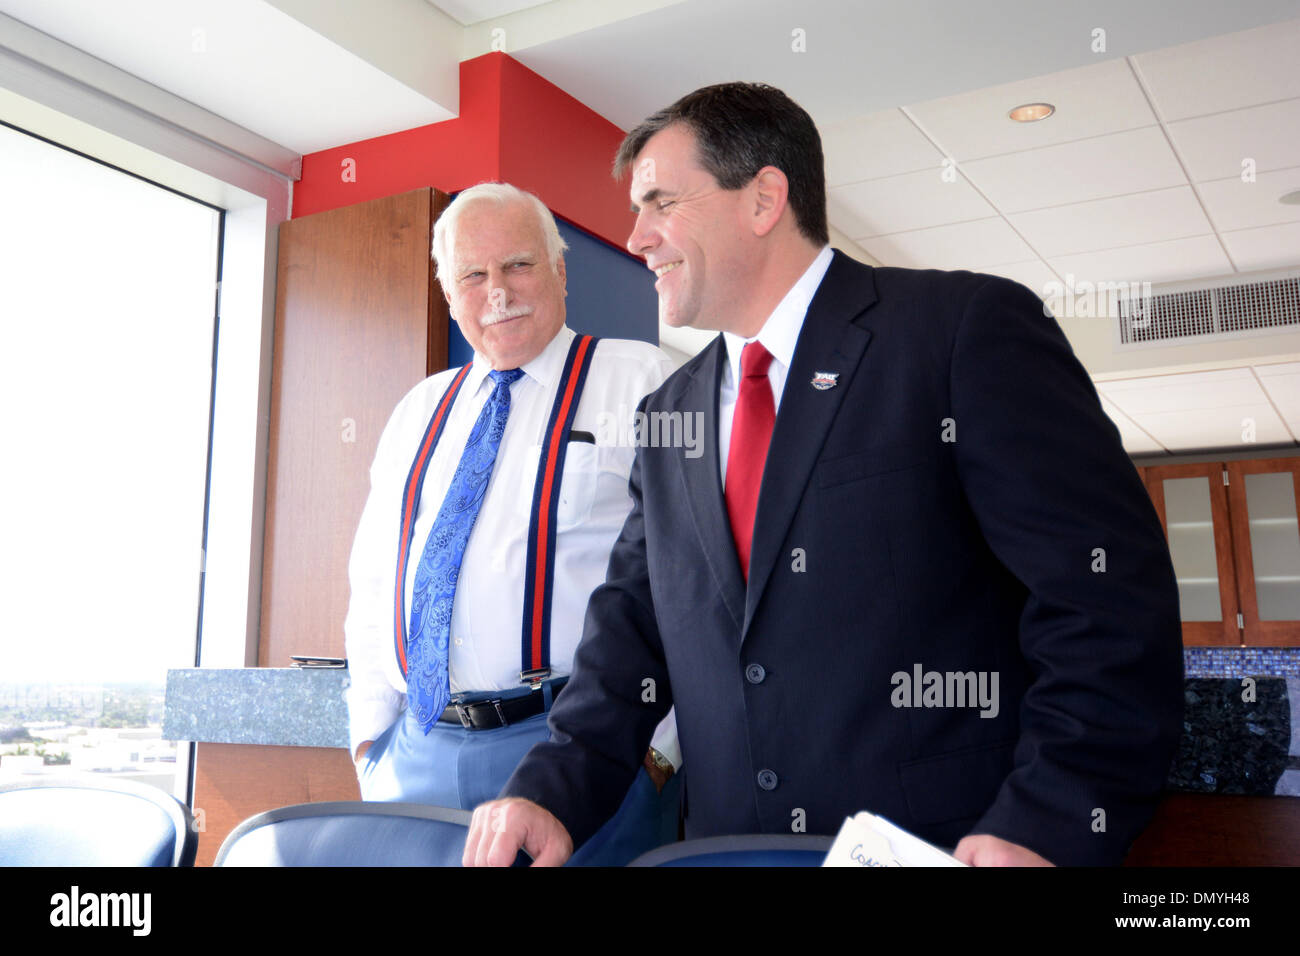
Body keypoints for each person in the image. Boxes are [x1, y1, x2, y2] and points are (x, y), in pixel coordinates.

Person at [464, 83, 1184, 867]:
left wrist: (1048, 821)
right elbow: (628, 638)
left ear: (764, 197)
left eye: (659, 202)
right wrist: (548, 791)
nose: (636, 237)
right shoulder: (668, 412)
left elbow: (1104, 604)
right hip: (729, 851)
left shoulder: (960, 333)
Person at [344, 182, 681, 866]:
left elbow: (694, 582)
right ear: (447, 292)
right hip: (416, 755)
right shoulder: (419, 409)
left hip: (579, 753)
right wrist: (370, 738)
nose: (497, 291)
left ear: (560, 271)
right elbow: (376, 580)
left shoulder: (646, 381)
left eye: (518, 265)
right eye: (473, 274)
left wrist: (660, 751)